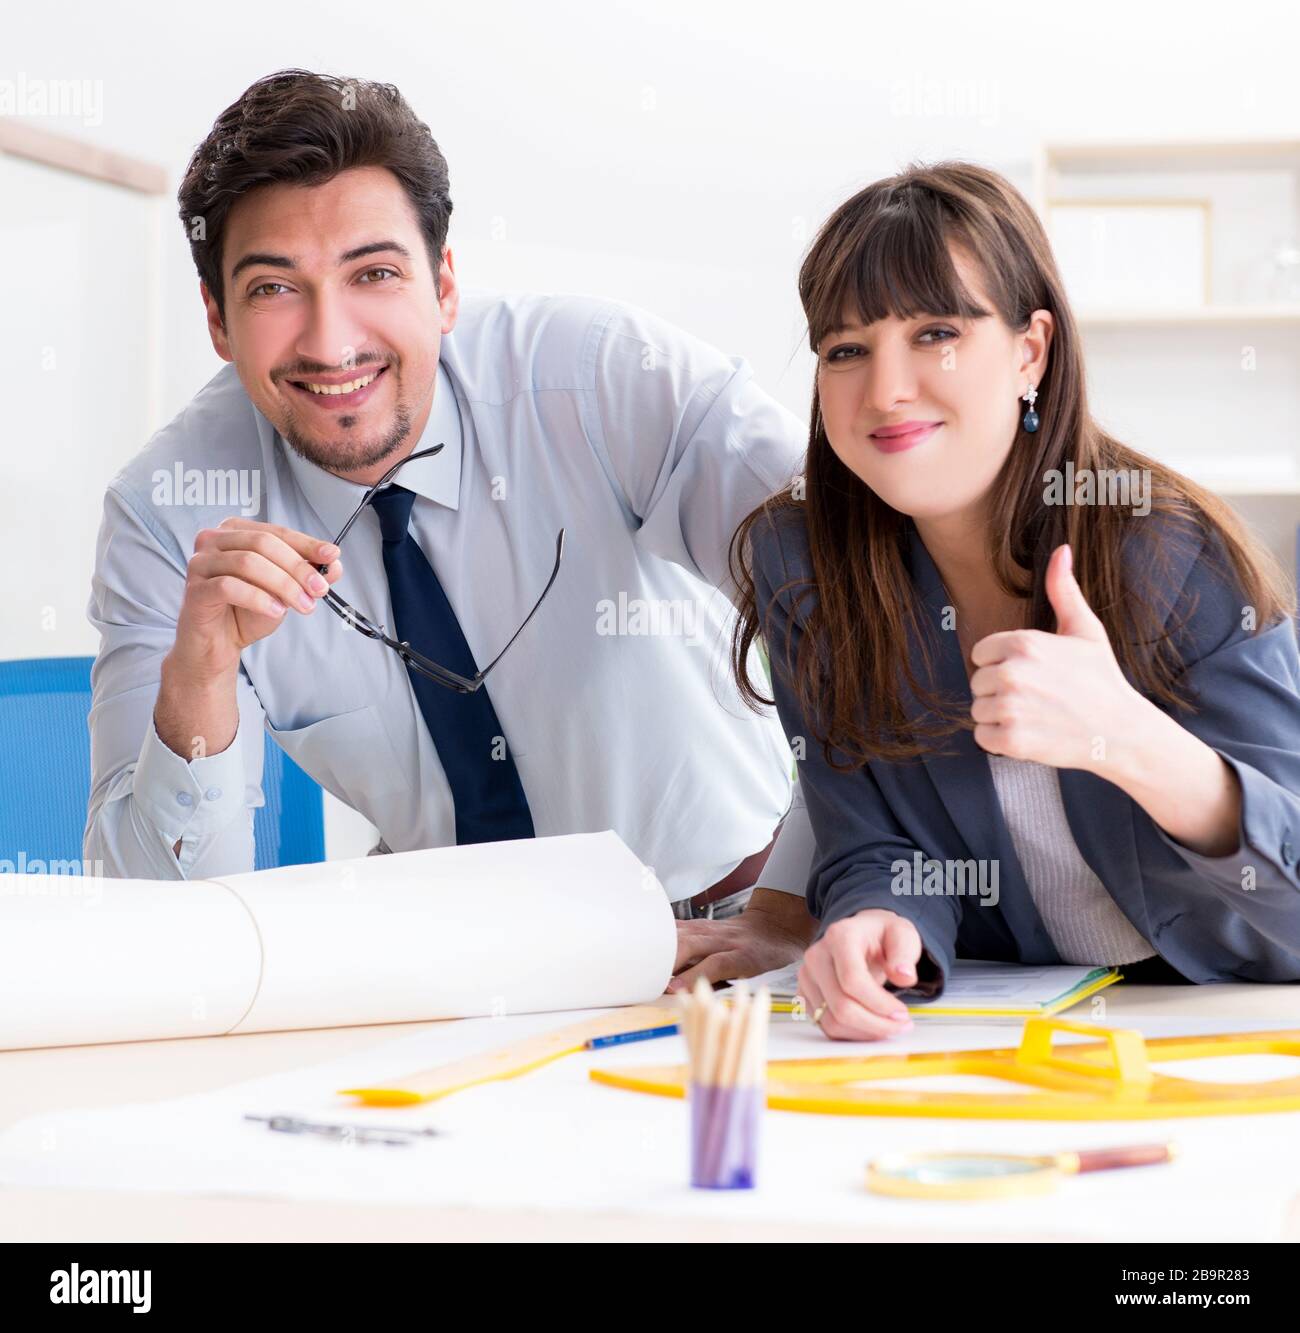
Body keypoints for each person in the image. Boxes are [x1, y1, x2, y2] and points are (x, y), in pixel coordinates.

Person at [84, 68, 817, 983]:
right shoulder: (170, 510)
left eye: (375, 274)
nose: (330, 342)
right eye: (274, 288)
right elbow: (150, 934)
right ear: (217, 322)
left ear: (445, 286)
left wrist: (797, 903)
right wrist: (199, 680)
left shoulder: (601, 379)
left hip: (730, 934)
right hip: (458, 969)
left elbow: (866, 601)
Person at [730, 161, 1300, 1040]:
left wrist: (1124, 735)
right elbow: (869, 843)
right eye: (847, 349)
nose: (884, 390)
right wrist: (880, 927)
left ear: (1030, 349)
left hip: (1223, 1021)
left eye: (936, 333)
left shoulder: (1169, 551)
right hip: (994, 1033)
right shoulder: (803, 564)